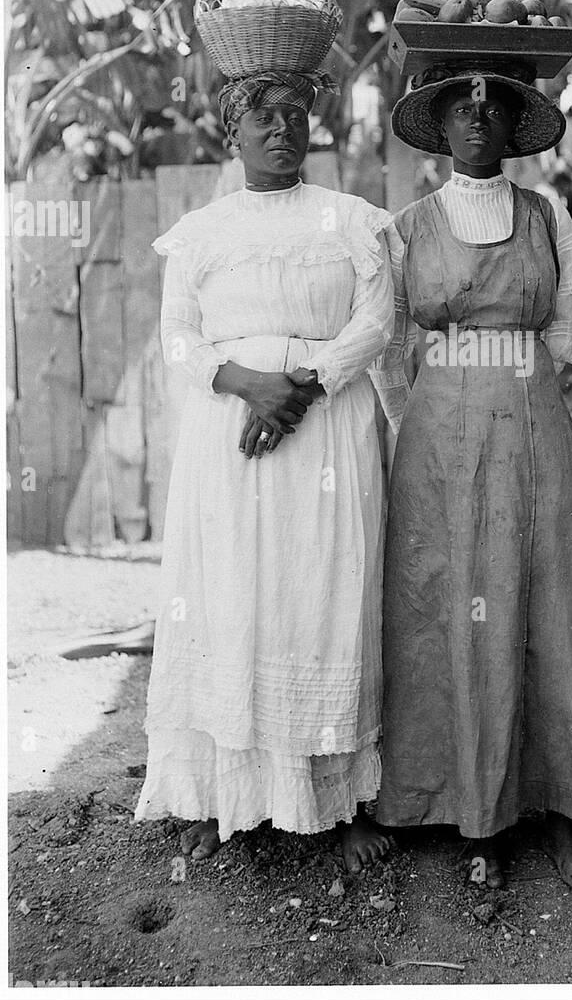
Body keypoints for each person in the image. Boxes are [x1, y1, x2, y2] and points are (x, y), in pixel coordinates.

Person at [135, 66, 398, 873]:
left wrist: (305, 386)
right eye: (263, 117)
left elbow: (377, 320)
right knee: (233, 598)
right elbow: (178, 337)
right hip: (230, 439)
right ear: (231, 135)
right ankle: (228, 795)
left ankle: (341, 801)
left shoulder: (352, 220)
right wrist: (252, 385)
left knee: (326, 599)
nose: (282, 128)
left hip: (327, 428)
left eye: (294, 113)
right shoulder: (200, 233)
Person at [371, 58, 572, 890]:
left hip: (531, 416)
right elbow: (391, 345)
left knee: (550, 591)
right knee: (446, 597)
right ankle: (467, 810)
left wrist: (513, 381)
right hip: (439, 425)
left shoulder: (546, 217)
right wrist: (429, 415)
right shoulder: (407, 226)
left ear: (516, 126)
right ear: (438, 128)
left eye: (495, 107)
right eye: (461, 107)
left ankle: (567, 810)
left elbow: (565, 329)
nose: (478, 120)